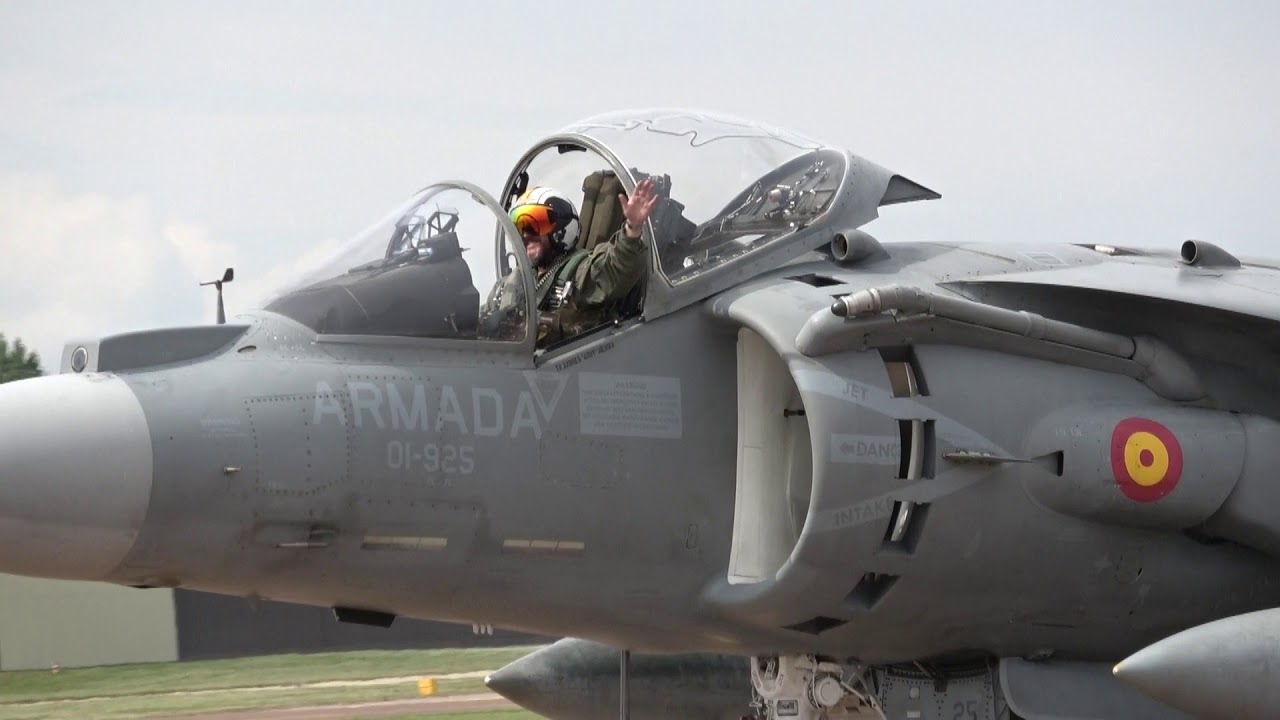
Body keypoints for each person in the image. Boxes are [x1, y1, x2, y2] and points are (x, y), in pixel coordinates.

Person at [483, 178, 658, 345]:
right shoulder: (508, 285)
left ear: (562, 229)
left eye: (536, 224)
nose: (526, 235)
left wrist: (633, 228)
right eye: (519, 227)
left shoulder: (579, 272)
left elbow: (616, 266)